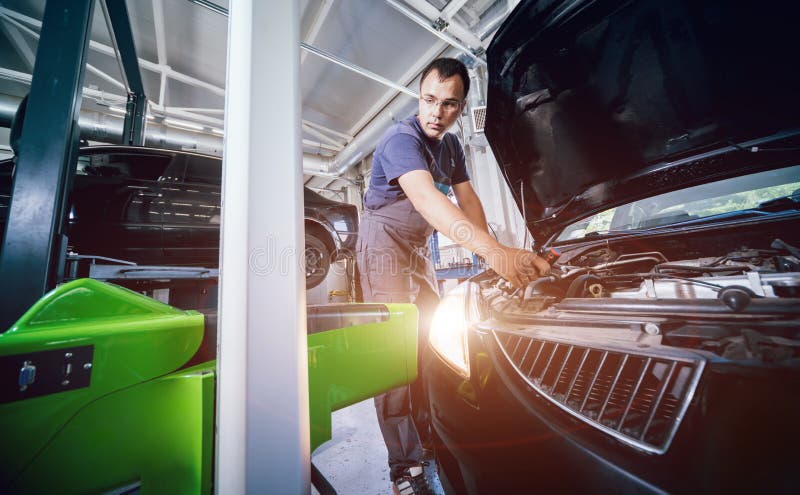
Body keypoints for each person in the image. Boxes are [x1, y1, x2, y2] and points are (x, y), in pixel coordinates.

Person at [356, 57, 550, 494]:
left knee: (428, 340)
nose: (436, 112)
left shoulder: (452, 147)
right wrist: (496, 253)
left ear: (461, 108)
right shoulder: (399, 139)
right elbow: (427, 200)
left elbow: (468, 201)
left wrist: (492, 255)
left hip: (417, 249)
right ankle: (403, 467)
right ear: (417, 97)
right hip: (383, 246)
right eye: (429, 100)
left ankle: (428, 440)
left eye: (448, 104)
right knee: (391, 355)